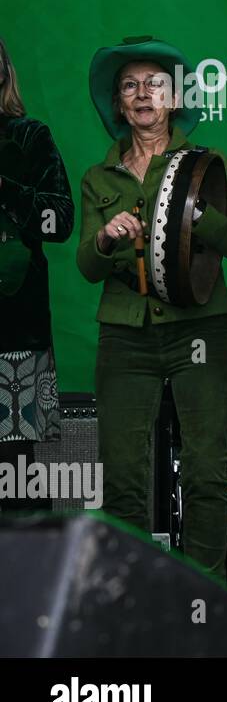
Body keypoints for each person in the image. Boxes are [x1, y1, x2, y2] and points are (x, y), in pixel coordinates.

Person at [76, 36, 227, 576]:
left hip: (199, 330)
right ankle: (136, 602)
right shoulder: (97, 177)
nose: (142, 94)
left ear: (174, 98)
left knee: (206, 471)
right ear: (118, 104)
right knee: (123, 478)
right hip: (125, 335)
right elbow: (87, 267)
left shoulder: (209, 164)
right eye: (129, 86)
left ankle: (205, 600)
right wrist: (107, 238)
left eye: (154, 84)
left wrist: (198, 217)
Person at [0, 36, 74, 508]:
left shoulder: (30, 136)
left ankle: (26, 581)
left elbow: (60, 219)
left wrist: (6, 188)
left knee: (15, 478)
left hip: (15, 334)